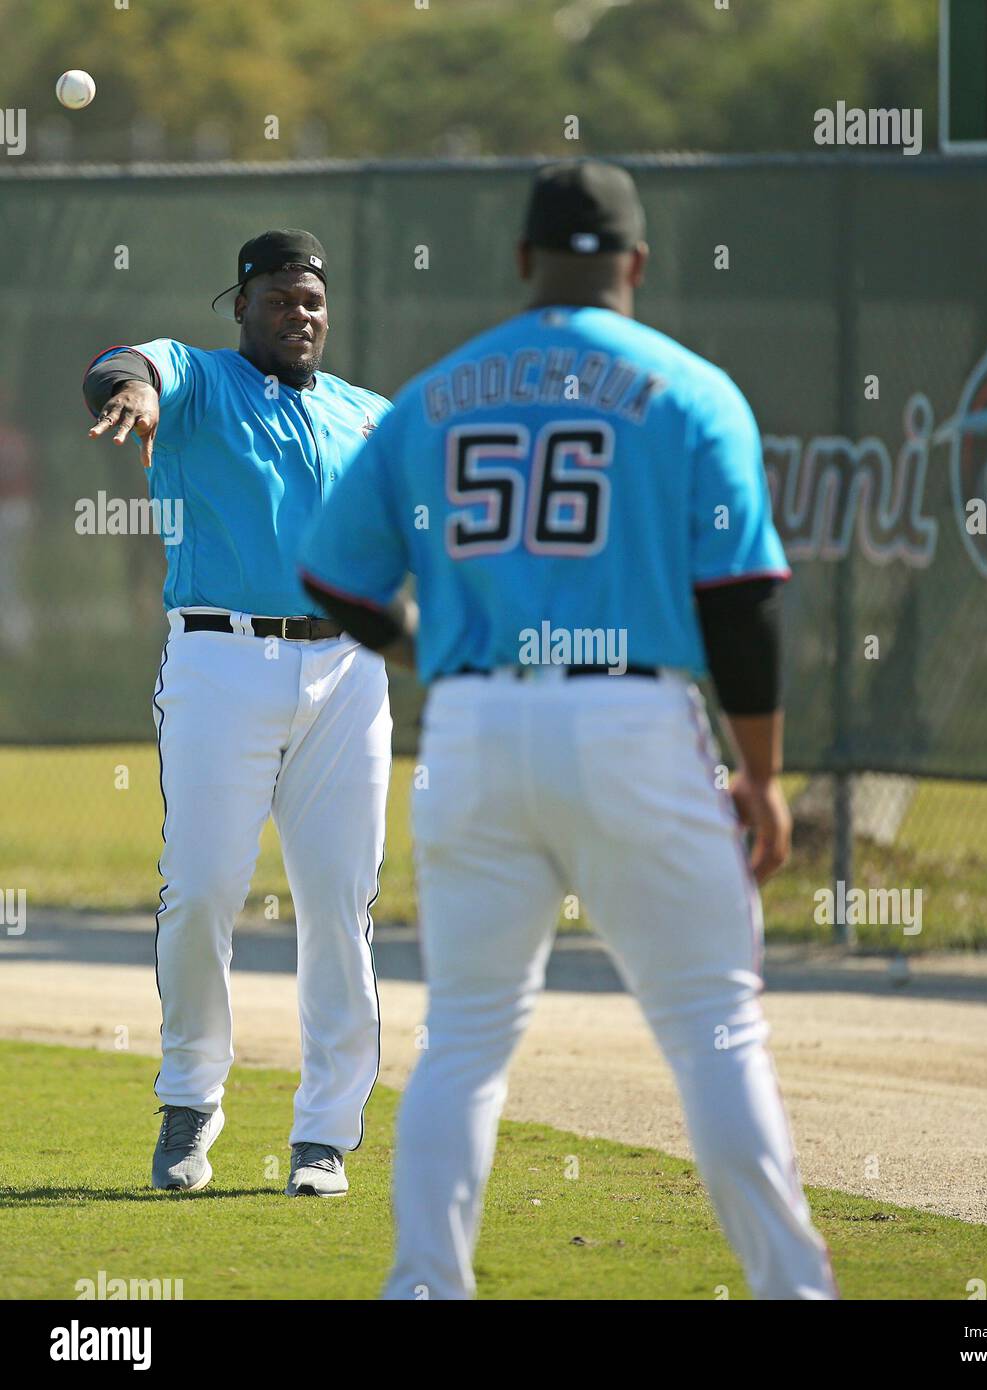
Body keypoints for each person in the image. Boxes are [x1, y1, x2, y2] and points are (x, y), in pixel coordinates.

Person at [301, 163, 837, 1296]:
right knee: (711, 1026)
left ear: (519, 263)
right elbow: (742, 601)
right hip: (631, 714)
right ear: (636, 264)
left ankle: (421, 1287)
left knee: (464, 1041)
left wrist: (437, 643)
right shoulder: (689, 389)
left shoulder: (435, 392)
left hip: (477, 724)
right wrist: (762, 774)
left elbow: (334, 578)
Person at [84, 230, 413, 1198]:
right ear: (240, 303)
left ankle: (323, 1135)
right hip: (220, 658)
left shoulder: (367, 414)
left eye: (309, 298)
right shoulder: (196, 380)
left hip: (346, 671)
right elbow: (126, 362)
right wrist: (128, 391)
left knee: (339, 904)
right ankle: (190, 1098)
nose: (296, 312)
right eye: (276, 296)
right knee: (199, 887)